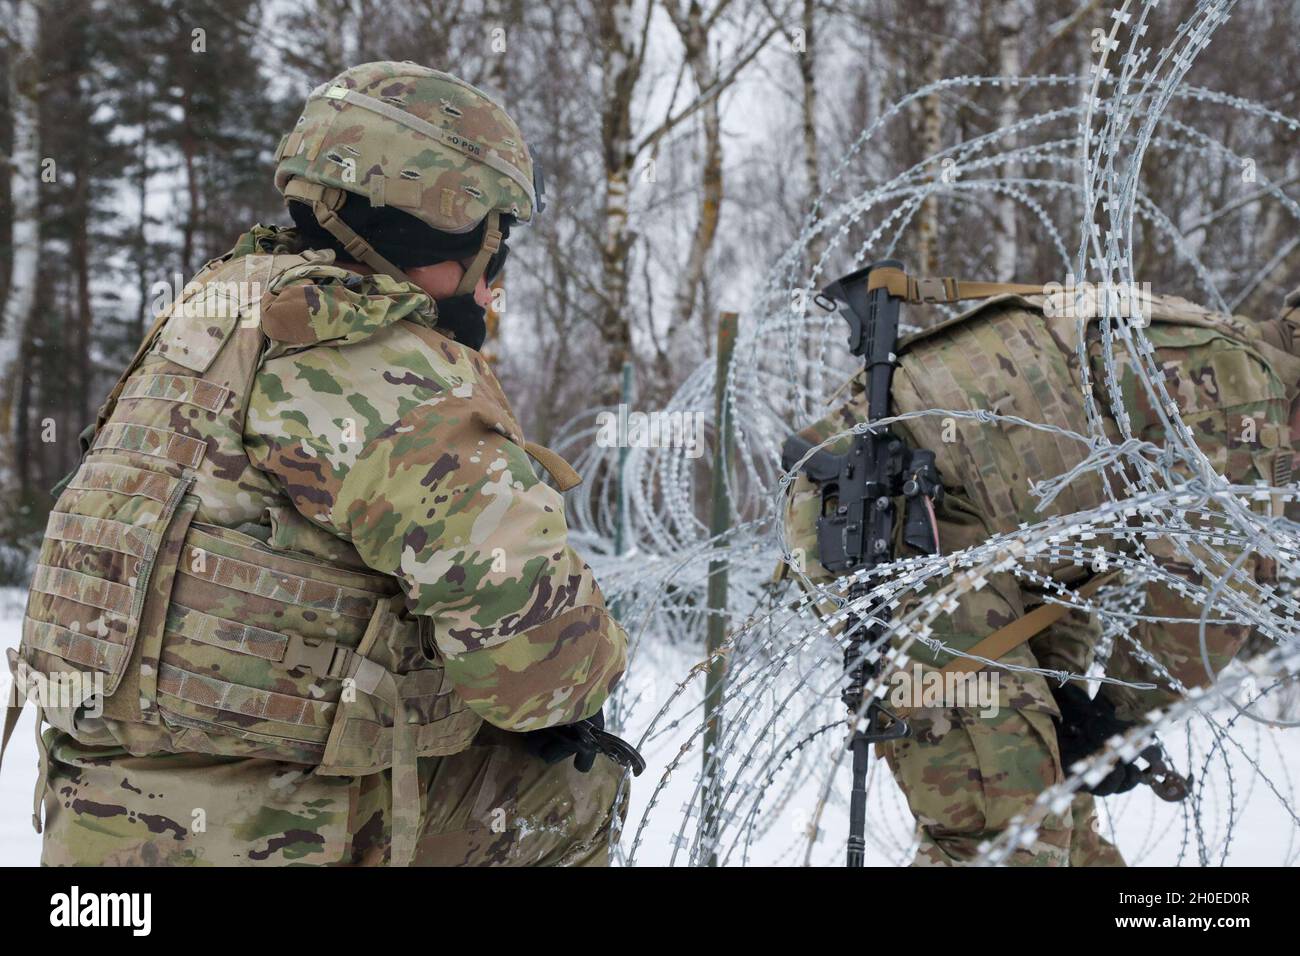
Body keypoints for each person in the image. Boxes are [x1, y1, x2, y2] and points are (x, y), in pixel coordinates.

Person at [2, 61, 636, 867]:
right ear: (448, 224)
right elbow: (545, 666)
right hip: (273, 837)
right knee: (573, 788)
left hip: (95, 836)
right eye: (494, 246)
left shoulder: (210, 316)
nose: (494, 286)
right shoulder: (376, 358)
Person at [782, 268, 1300, 866]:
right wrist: (1120, 721)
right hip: (890, 516)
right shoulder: (1244, 392)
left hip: (961, 524)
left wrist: (1090, 719)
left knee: (1054, 806)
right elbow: (1209, 600)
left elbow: (1079, 522)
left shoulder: (1194, 332)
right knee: (1007, 831)